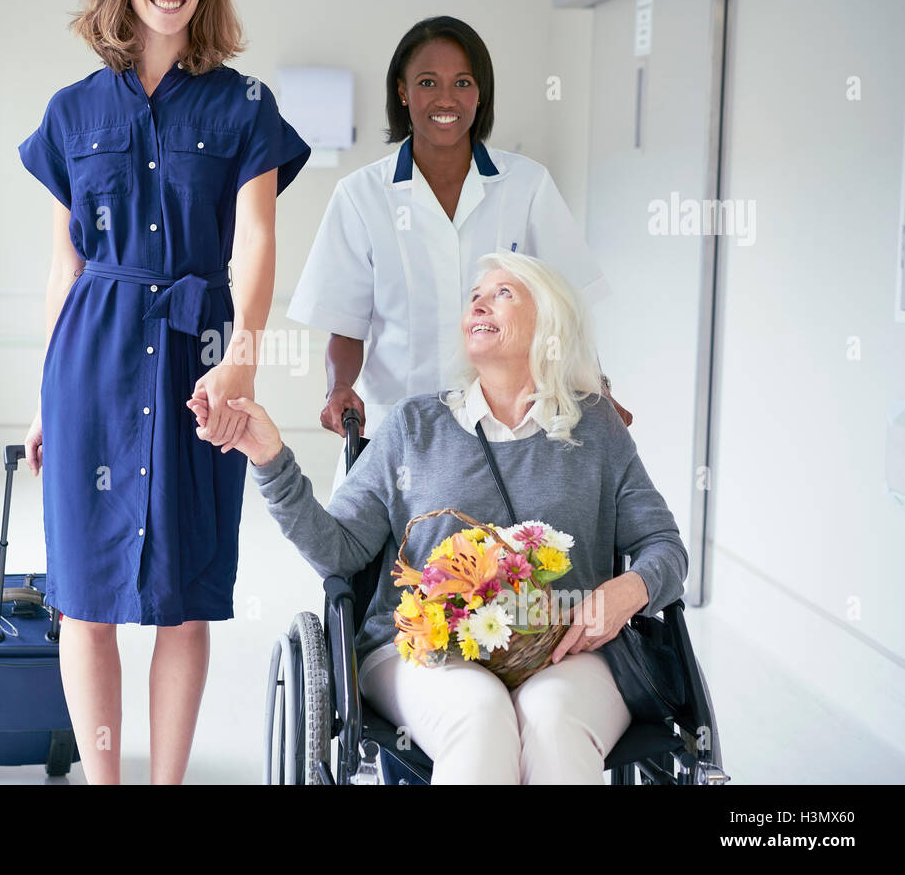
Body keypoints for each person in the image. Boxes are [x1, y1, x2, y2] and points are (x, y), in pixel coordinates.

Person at [188, 251, 688, 784]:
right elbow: (339, 551)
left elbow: (664, 546)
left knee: (553, 722)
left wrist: (628, 590)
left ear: (550, 324)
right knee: (478, 713)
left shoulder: (597, 429)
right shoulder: (414, 425)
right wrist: (271, 461)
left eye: (504, 292)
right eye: (476, 293)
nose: (479, 300)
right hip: (421, 648)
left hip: (566, 650)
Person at [16, 0, 311, 785]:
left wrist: (244, 358)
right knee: (84, 598)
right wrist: (44, 399)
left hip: (199, 355)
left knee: (186, 600)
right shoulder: (72, 111)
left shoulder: (245, 106)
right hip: (90, 366)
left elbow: (255, 242)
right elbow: (65, 262)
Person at [284, 16, 631, 494]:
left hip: (510, 431)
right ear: (403, 92)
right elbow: (346, 325)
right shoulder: (362, 195)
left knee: (500, 564)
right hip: (394, 434)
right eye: (428, 82)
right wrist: (338, 388)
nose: (445, 99)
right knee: (384, 566)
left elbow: (566, 310)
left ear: (480, 94)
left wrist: (600, 391)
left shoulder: (526, 187)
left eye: (462, 83)